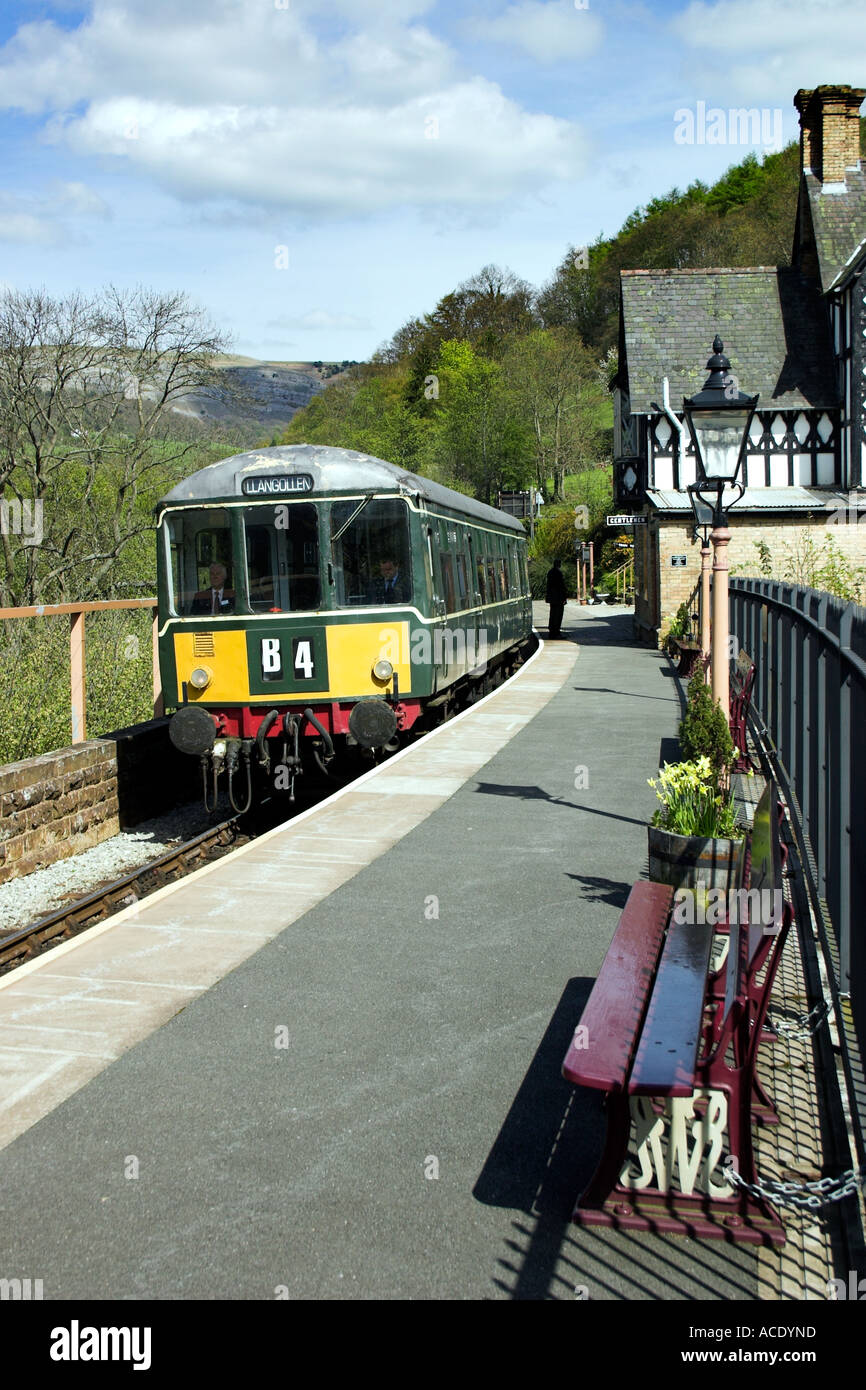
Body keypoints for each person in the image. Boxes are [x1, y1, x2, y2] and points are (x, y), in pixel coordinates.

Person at [545, 558, 567, 638]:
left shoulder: (550, 572)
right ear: (558, 564)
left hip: (552, 598)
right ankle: (556, 632)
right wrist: (564, 597)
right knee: (558, 615)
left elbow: (548, 585)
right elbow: (561, 586)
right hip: (558, 598)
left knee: (552, 614)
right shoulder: (558, 573)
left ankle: (551, 631)